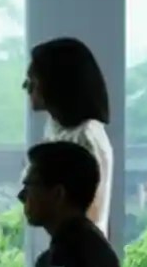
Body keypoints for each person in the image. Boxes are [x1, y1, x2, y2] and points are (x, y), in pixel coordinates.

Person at [25, 37, 113, 236]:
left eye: (34, 80)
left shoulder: (86, 137)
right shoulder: (55, 127)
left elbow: (88, 214)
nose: (27, 87)